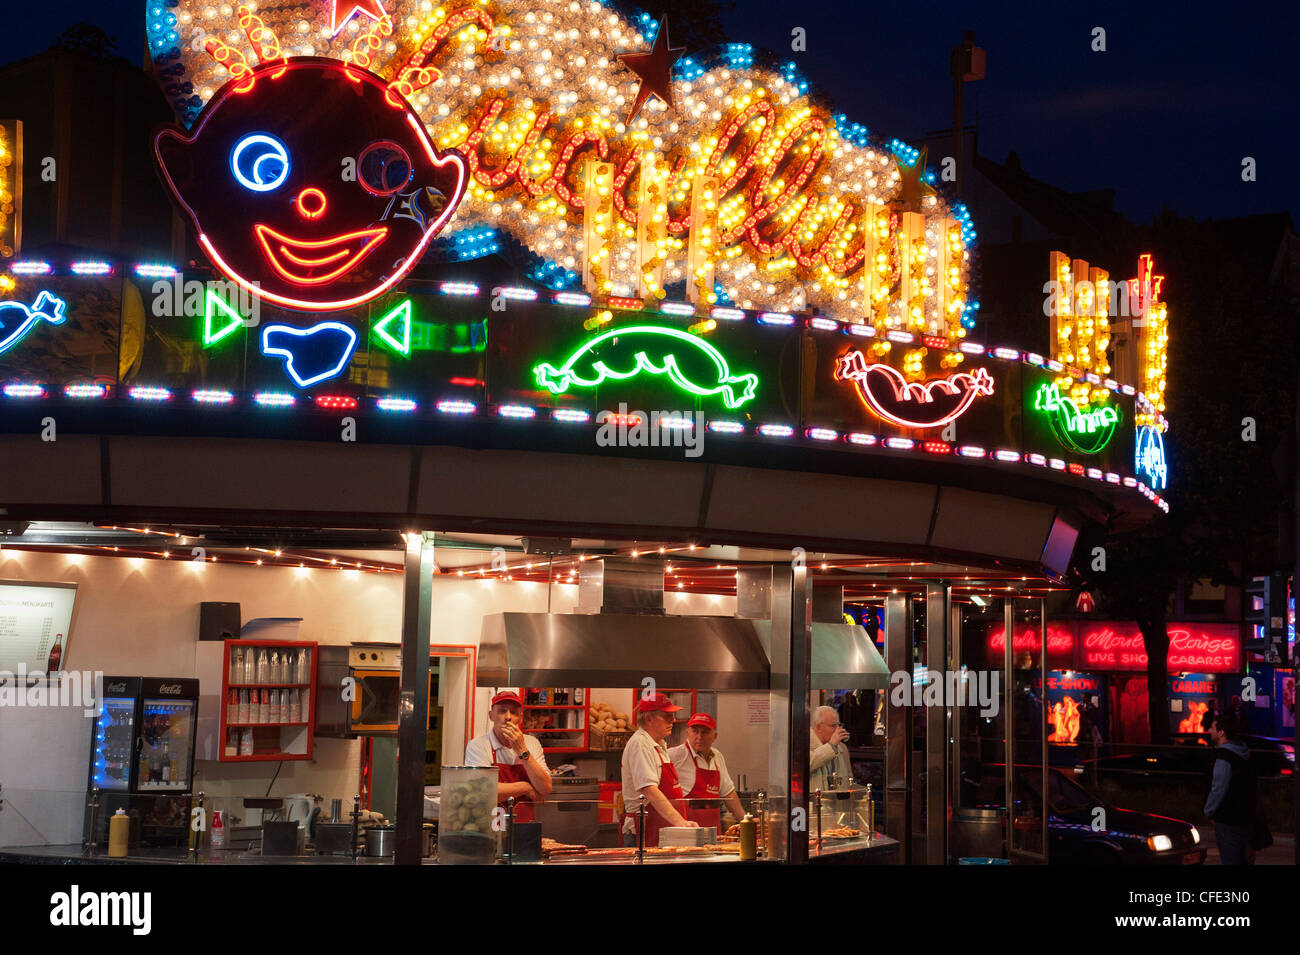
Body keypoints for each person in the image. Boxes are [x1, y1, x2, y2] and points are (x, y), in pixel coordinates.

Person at [621, 693, 696, 845]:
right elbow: (649, 789)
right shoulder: (640, 744)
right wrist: (680, 822)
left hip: (661, 828)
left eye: (672, 715)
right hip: (643, 830)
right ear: (648, 719)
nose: (673, 720)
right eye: (667, 716)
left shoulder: (658, 744)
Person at [464, 690, 552, 821]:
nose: (508, 717)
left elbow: (545, 788)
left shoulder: (532, 744)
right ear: (491, 716)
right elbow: (483, 793)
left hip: (524, 825)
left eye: (513, 712)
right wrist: (526, 787)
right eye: (502, 711)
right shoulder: (478, 746)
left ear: (520, 718)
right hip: (489, 825)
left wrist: (522, 750)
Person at [668, 713, 747, 831]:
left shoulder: (717, 756)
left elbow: (728, 793)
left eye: (704, 732)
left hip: (713, 833)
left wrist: (746, 822)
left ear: (714, 736)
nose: (699, 737)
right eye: (695, 731)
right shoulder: (674, 755)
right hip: (687, 834)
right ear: (687, 733)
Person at [1203, 711, 1257, 865]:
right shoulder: (1245, 753)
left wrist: (1208, 811)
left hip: (1228, 820)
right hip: (1246, 818)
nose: (1209, 731)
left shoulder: (1224, 756)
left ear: (1221, 732)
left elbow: (1219, 788)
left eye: (1213, 728)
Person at [809, 705, 851, 792]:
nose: (838, 729)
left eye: (838, 725)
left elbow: (849, 779)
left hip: (837, 802)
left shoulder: (842, 748)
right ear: (818, 727)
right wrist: (831, 745)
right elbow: (810, 763)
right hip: (814, 802)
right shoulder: (805, 743)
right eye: (833, 726)